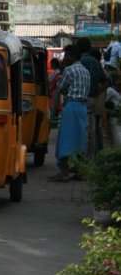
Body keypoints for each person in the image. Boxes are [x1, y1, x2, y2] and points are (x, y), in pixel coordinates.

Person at [50, 44, 90, 182]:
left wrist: (53, 112)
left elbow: (60, 88)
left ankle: (65, 171)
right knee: (79, 139)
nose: (64, 58)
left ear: (72, 56)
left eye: (66, 55)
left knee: (65, 138)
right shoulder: (85, 71)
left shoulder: (69, 70)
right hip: (83, 107)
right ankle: (80, 171)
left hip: (71, 106)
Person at [77, 37, 109, 156]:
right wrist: (95, 92)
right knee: (91, 130)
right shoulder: (95, 62)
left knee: (81, 130)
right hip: (91, 98)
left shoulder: (80, 61)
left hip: (80, 99)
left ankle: (81, 158)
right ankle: (90, 158)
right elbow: (106, 82)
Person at [48, 57, 63, 126]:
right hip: (55, 93)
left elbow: (51, 82)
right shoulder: (57, 72)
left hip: (53, 93)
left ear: (53, 64)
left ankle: (53, 123)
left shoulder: (55, 73)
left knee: (53, 108)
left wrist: (49, 90)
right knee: (55, 107)